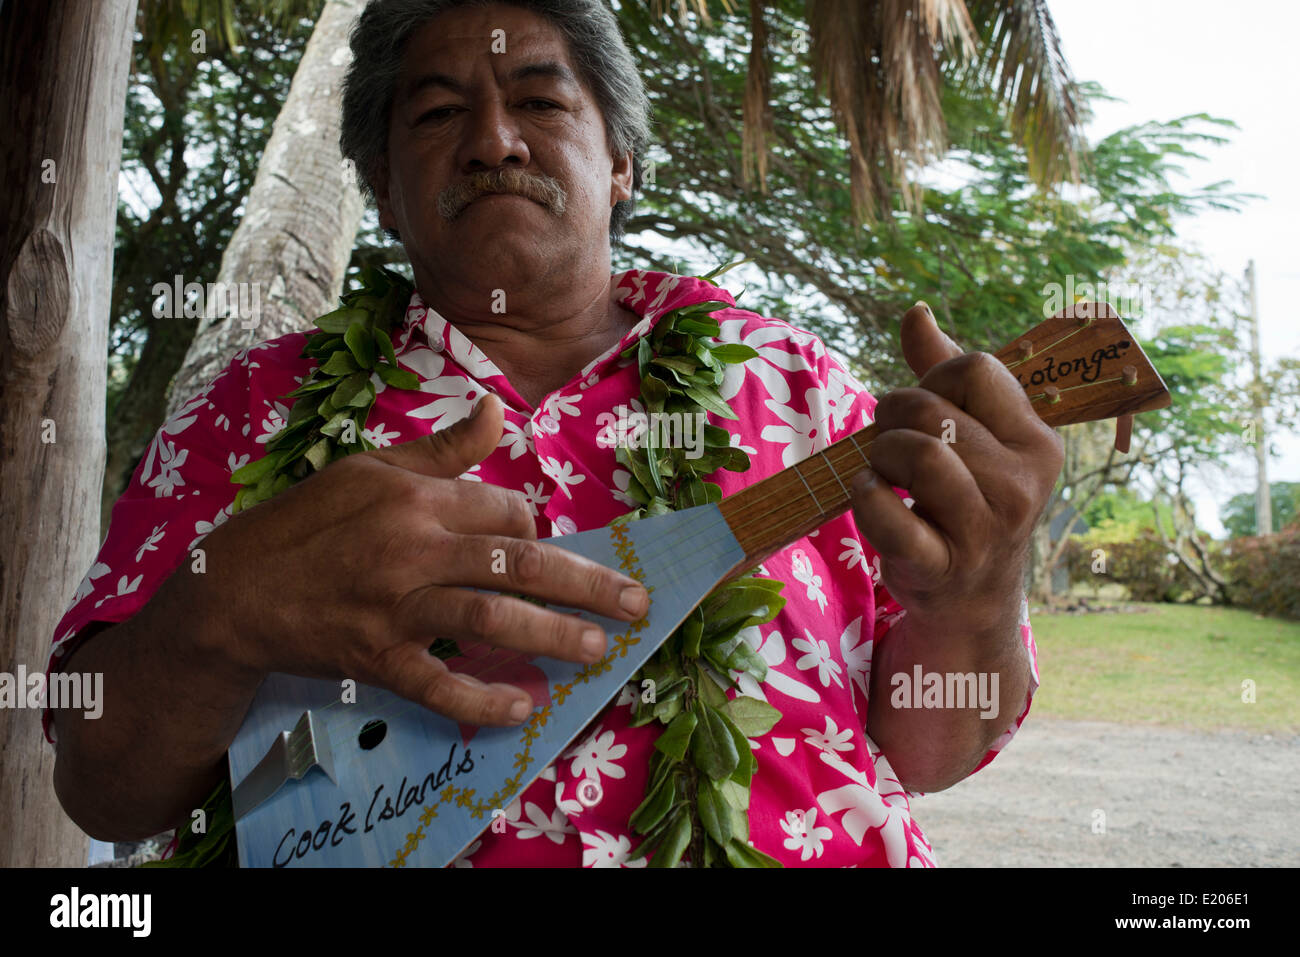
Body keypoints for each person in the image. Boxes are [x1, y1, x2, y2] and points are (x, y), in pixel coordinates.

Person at [47, 0, 1063, 867]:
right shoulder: (251, 407)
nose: (493, 141)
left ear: (619, 160)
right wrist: (223, 608)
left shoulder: (802, 386)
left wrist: (977, 589)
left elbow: (929, 753)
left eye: (538, 100)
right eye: (439, 113)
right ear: (384, 188)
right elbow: (104, 787)